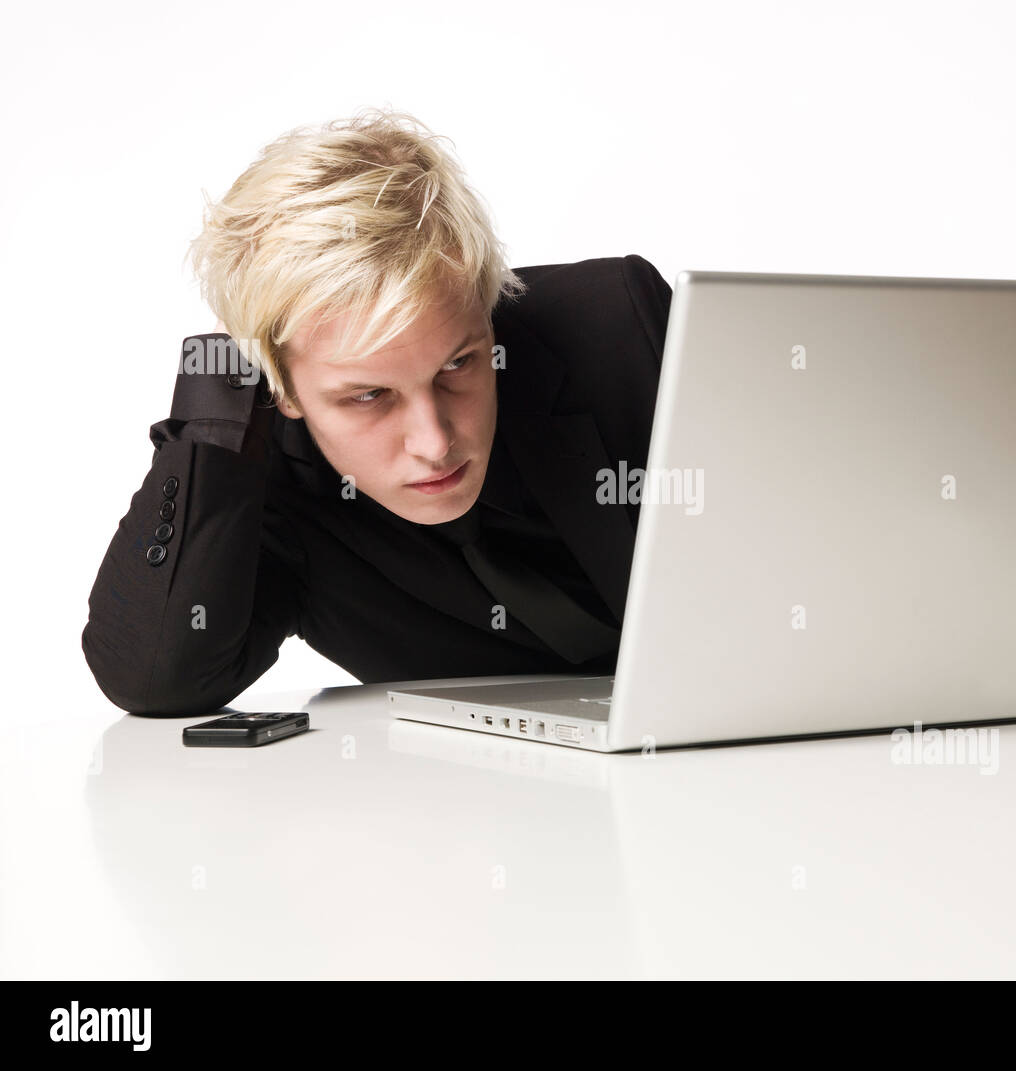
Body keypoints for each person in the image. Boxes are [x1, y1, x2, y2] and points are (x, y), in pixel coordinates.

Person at [82, 108, 672, 715]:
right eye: (368, 395)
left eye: (457, 365)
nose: (434, 441)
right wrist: (218, 388)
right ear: (278, 384)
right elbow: (156, 677)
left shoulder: (619, 327)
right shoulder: (267, 488)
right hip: (474, 805)